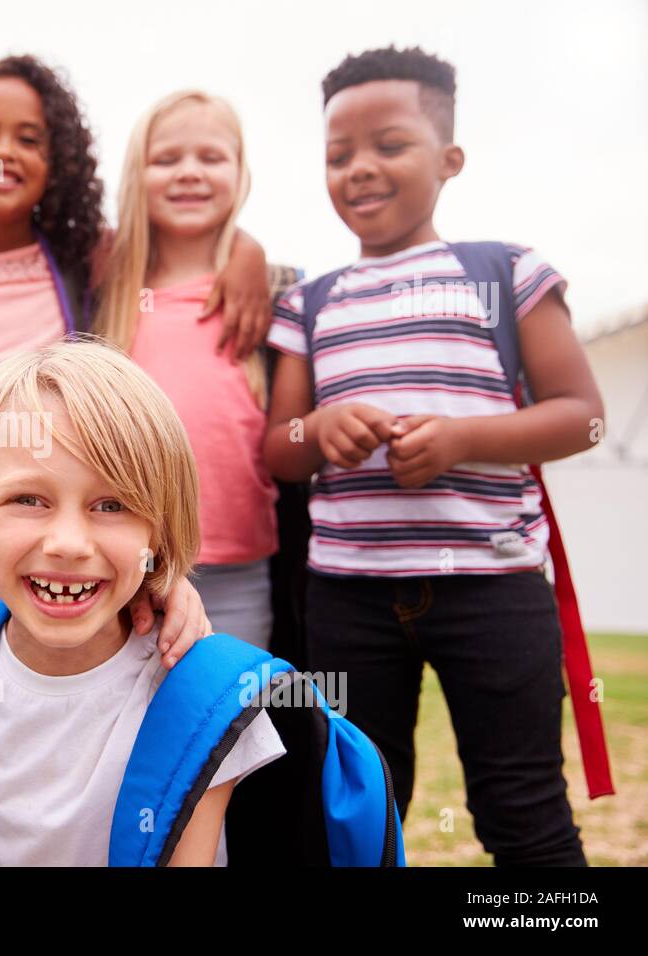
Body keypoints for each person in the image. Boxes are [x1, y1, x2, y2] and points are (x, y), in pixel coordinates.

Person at [0, 54, 267, 865]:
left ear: (60, 162)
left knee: (115, 716)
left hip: (77, 521)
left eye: (30, 137)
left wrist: (246, 251)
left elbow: (181, 239)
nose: (5, 149)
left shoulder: (86, 260)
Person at [263, 46, 603, 865]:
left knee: (521, 808)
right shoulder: (306, 304)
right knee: (358, 803)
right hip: (347, 599)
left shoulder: (508, 271)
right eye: (338, 156)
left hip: (495, 592)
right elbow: (281, 447)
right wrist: (325, 425)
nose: (360, 170)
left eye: (389, 144)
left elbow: (582, 417)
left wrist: (460, 439)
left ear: (449, 159)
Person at [0, 339, 287, 865]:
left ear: (160, 526)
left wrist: (153, 570)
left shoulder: (203, 701)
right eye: (28, 500)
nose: (68, 542)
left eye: (111, 505)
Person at [95, 90, 283, 649]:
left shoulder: (274, 290)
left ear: (240, 172)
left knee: (235, 721)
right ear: (136, 172)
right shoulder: (106, 283)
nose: (190, 174)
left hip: (240, 568)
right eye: (167, 159)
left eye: (211, 158)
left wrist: (247, 248)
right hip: (128, 566)